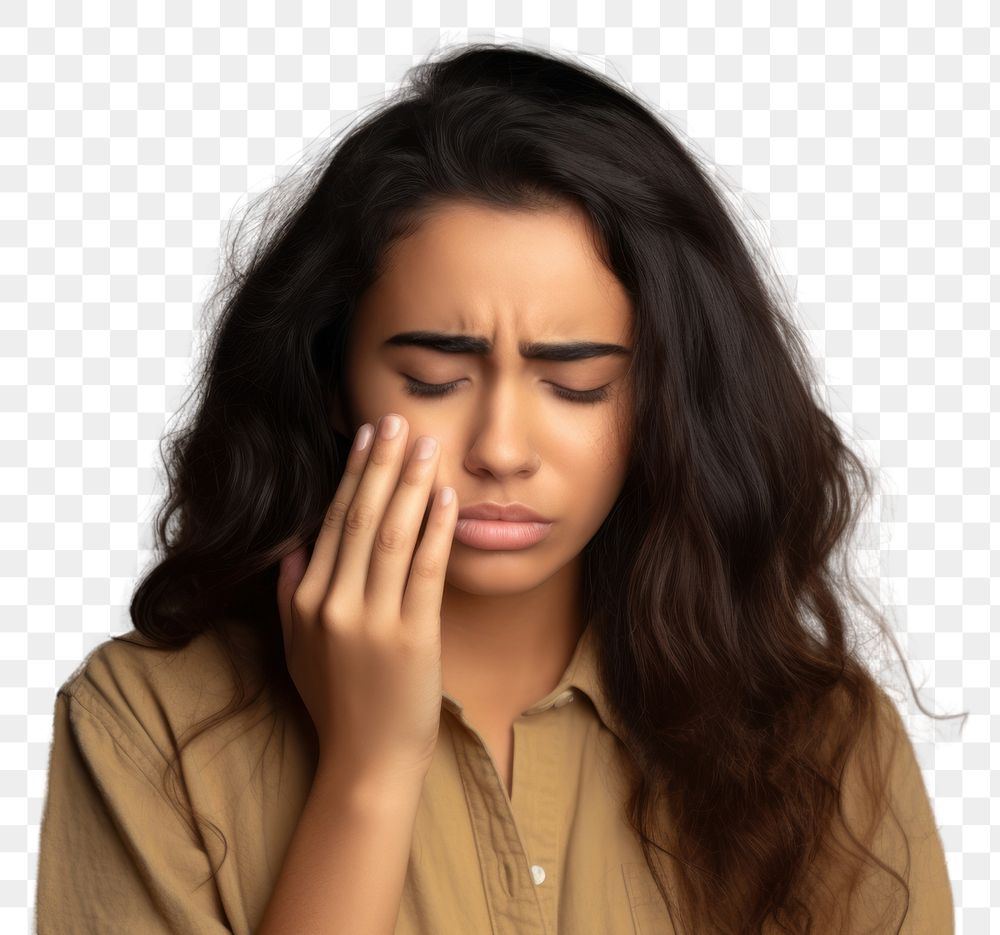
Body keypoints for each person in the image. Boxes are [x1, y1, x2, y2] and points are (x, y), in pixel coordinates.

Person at [35, 41, 957, 934]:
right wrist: (367, 771)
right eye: (435, 378)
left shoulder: (823, 740)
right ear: (330, 378)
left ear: (669, 401)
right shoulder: (147, 726)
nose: (503, 449)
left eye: (578, 383)